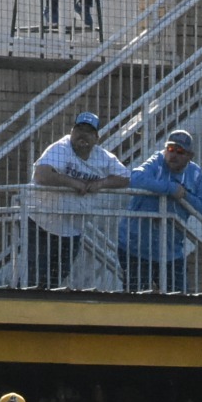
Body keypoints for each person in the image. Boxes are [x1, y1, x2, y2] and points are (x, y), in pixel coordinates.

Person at [28, 111, 130, 289]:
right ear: (72, 131)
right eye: (79, 129)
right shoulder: (60, 148)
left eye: (89, 131)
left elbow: (125, 178)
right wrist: (72, 183)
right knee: (35, 278)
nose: (83, 134)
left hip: (72, 229)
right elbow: (42, 175)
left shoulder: (102, 157)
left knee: (56, 279)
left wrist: (101, 184)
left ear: (96, 137)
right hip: (42, 224)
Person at [119, 130, 202, 294]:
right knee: (136, 299)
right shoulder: (156, 162)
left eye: (180, 152)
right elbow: (134, 179)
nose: (174, 155)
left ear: (190, 156)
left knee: (179, 300)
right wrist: (170, 189)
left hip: (170, 252)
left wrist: (185, 195)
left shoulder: (195, 174)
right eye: (170, 149)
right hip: (136, 248)